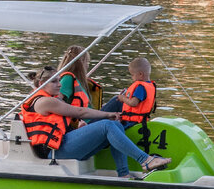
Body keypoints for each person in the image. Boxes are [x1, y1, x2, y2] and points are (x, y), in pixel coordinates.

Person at [21, 65, 170, 179]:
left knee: (116, 125)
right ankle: (145, 160)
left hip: (62, 145)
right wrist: (108, 114)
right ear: (41, 83)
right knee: (107, 125)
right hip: (53, 152)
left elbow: (62, 124)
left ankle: (124, 174)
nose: (59, 84)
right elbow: (81, 111)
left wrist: (79, 126)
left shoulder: (50, 99)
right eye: (54, 81)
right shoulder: (45, 101)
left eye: (59, 80)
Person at [101, 57, 158, 128]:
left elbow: (133, 103)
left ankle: (94, 122)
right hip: (140, 120)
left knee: (109, 123)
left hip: (131, 122)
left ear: (140, 74)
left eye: (132, 75)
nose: (132, 78)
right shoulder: (150, 86)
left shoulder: (140, 87)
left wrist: (123, 98)